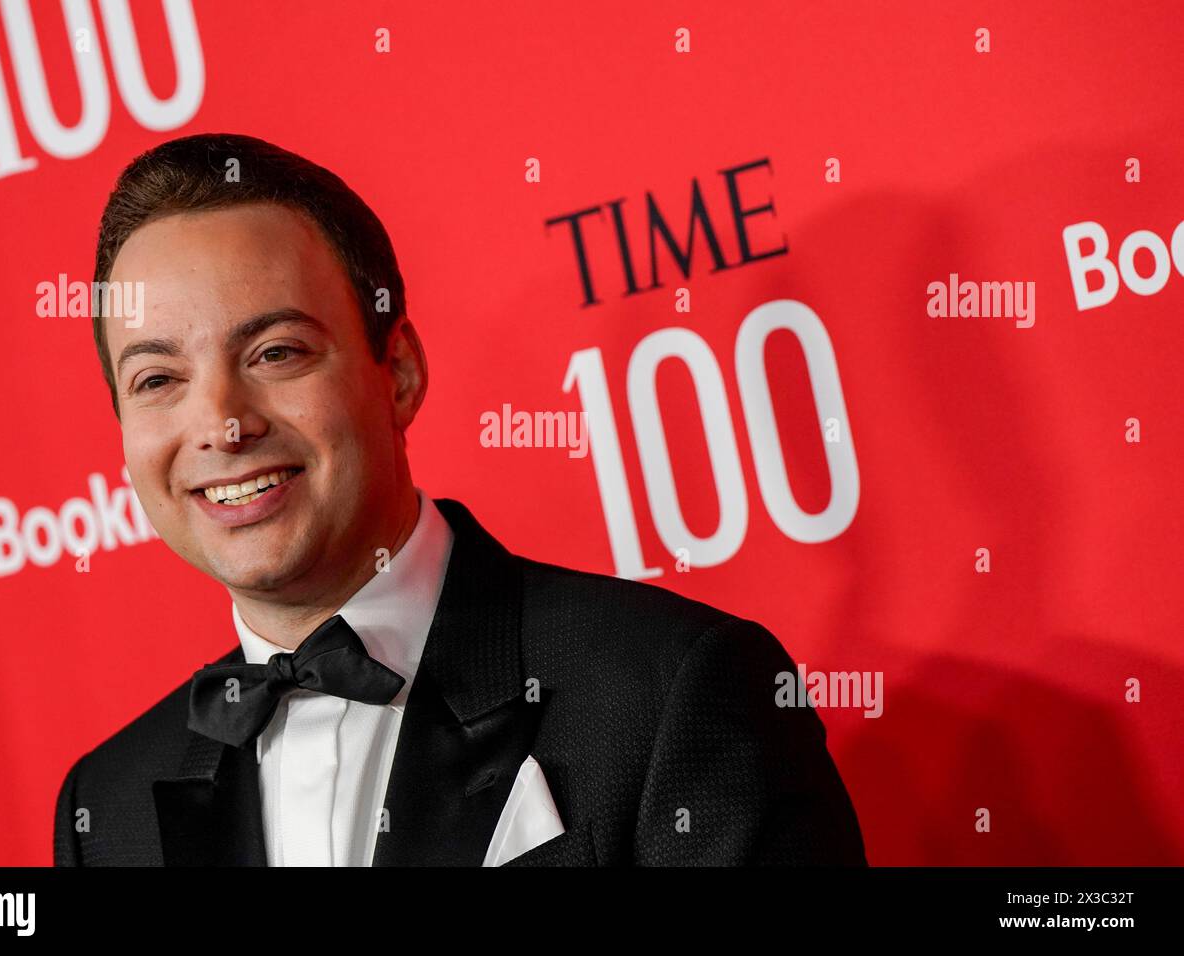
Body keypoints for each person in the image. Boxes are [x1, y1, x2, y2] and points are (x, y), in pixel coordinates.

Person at [52, 132, 866, 866]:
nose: (223, 422)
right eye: (157, 379)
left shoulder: (670, 698)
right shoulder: (106, 808)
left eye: (276, 352)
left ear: (397, 372)